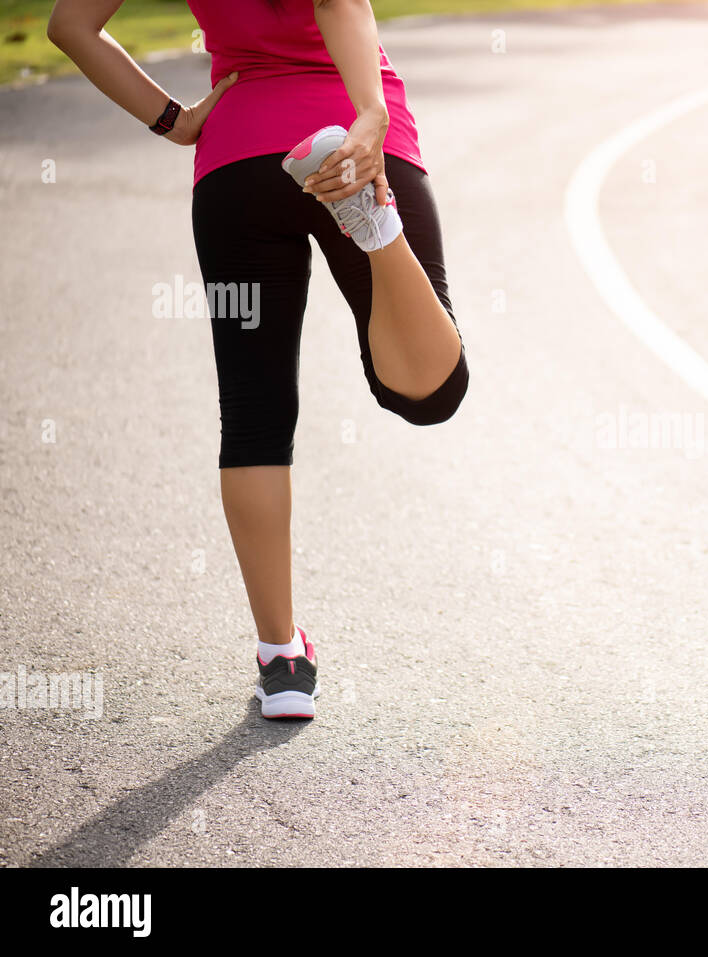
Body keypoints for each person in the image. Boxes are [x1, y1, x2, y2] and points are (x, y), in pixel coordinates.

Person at [46, 0, 469, 719]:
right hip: (347, 136)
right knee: (430, 393)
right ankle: (379, 227)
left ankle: (282, 660)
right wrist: (369, 116)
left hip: (237, 163)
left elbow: (69, 26)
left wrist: (173, 119)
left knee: (254, 413)